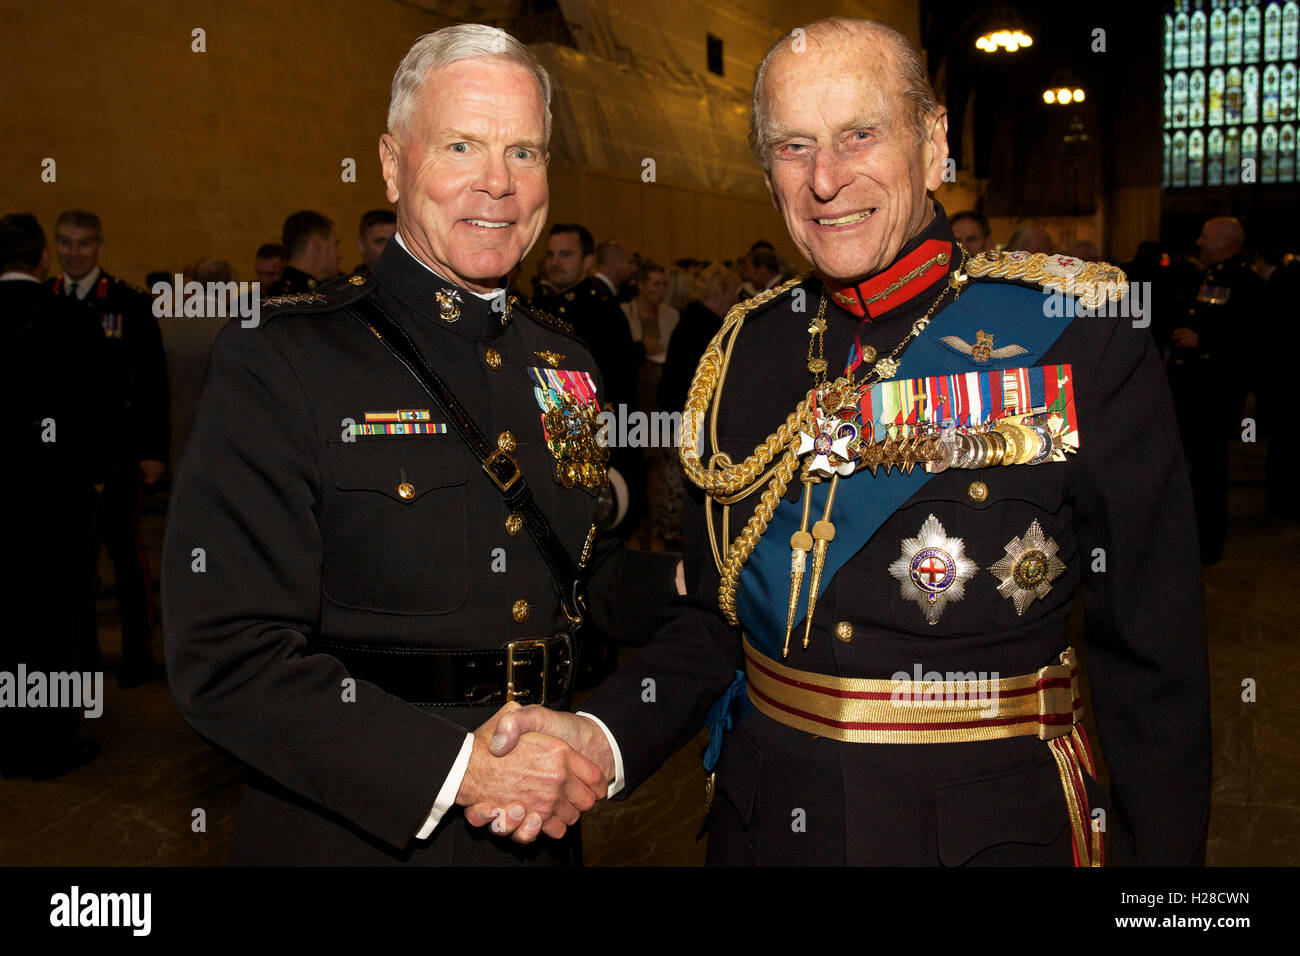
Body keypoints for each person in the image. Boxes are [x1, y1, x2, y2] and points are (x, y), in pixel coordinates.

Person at [485, 17, 1210, 867]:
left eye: (859, 134)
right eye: (794, 148)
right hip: (764, 828)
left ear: (933, 141)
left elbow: (1156, 664)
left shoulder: (1073, 330)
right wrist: (602, 739)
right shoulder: (743, 352)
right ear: (768, 172)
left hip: (989, 840)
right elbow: (727, 619)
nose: (826, 180)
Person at [162, 23, 675, 866]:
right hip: (361, 830)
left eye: (525, 152)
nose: (498, 184)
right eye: (462, 145)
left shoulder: (565, 363)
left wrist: (710, 575)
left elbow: (580, 571)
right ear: (394, 164)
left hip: (541, 831)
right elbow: (224, 654)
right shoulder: (283, 358)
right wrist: (462, 772)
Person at [0, 214, 106, 779]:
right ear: (43, 258)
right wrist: (92, 475)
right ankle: (49, 745)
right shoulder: (71, 317)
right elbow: (93, 406)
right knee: (54, 619)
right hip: (54, 500)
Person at [50, 209, 170, 687]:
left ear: (98, 246)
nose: (74, 252)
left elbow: (153, 383)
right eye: (65, 242)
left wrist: (154, 449)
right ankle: (83, 657)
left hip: (120, 453)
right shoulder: (47, 299)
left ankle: (137, 654)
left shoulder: (128, 302)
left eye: (83, 243)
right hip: (60, 458)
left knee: (125, 555)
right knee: (70, 560)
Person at [1168, 216, 1265, 564]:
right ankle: (1191, 533)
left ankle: (1209, 543)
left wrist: (1203, 341)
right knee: (1193, 466)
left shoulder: (1245, 283)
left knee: (1210, 468)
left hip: (1214, 392)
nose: (1199, 241)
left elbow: (1250, 340)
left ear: (1226, 242)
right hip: (1192, 388)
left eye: (1206, 236)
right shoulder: (1205, 277)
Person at [267, 210, 342, 295]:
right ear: (317, 245)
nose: (340, 255)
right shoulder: (299, 297)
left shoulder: (274, 293)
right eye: (335, 245)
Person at [353, 208, 397, 276]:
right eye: (380, 242)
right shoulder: (348, 285)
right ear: (360, 244)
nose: (390, 248)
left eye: (395, 242)